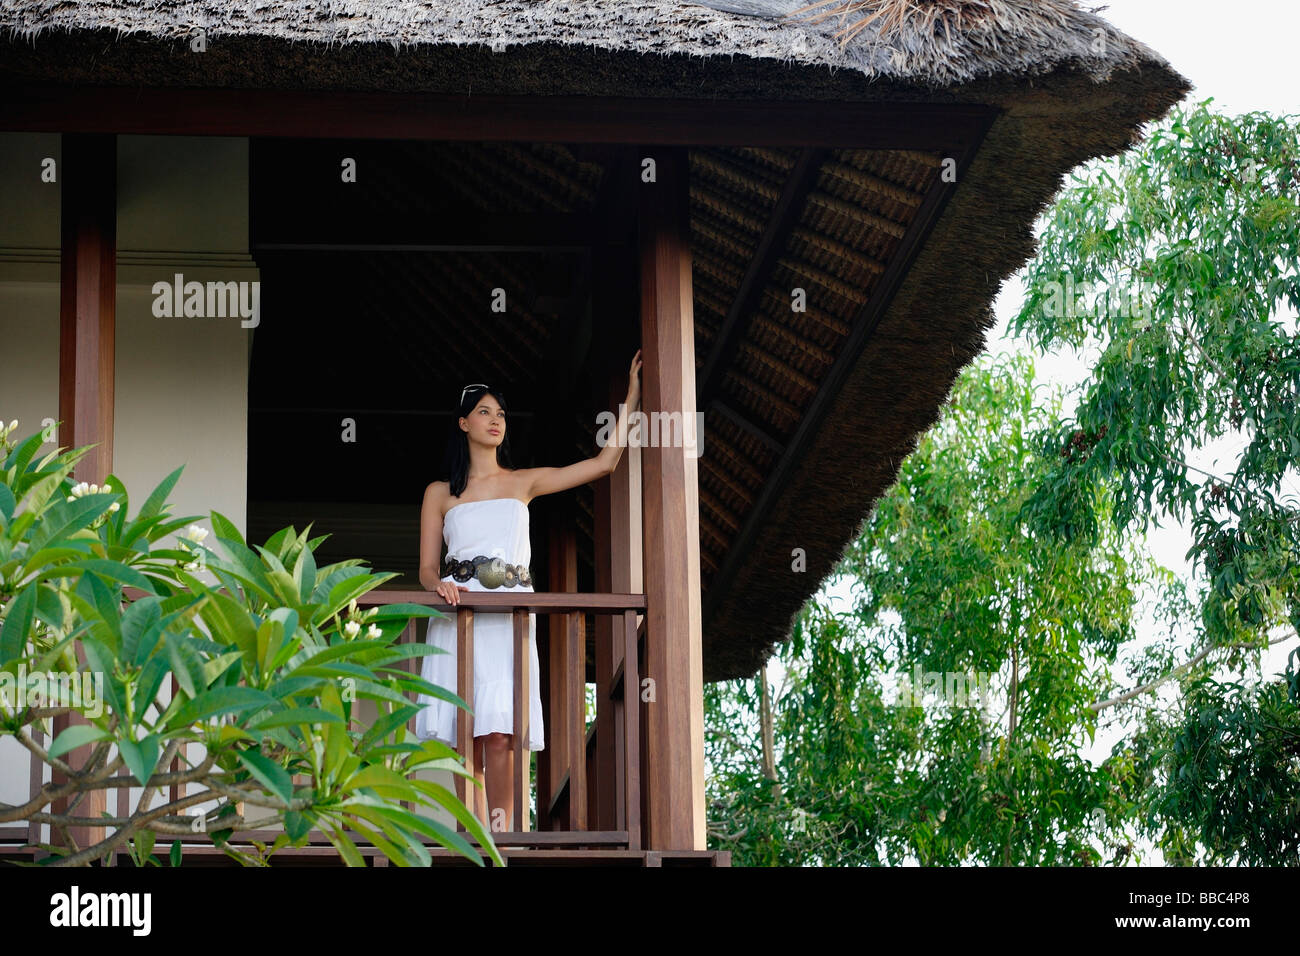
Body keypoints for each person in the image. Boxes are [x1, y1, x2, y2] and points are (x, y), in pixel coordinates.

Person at [414, 350, 643, 834]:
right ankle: (472, 839)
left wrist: (632, 399)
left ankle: (502, 839)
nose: (495, 421)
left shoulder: (523, 482)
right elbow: (426, 569)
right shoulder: (440, 493)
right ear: (462, 423)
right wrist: (441, 585)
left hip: (507, 619)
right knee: (465, 739)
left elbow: (605, 462)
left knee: (500, 736)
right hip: (458, 619)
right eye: (484, 412)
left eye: (500, 414)